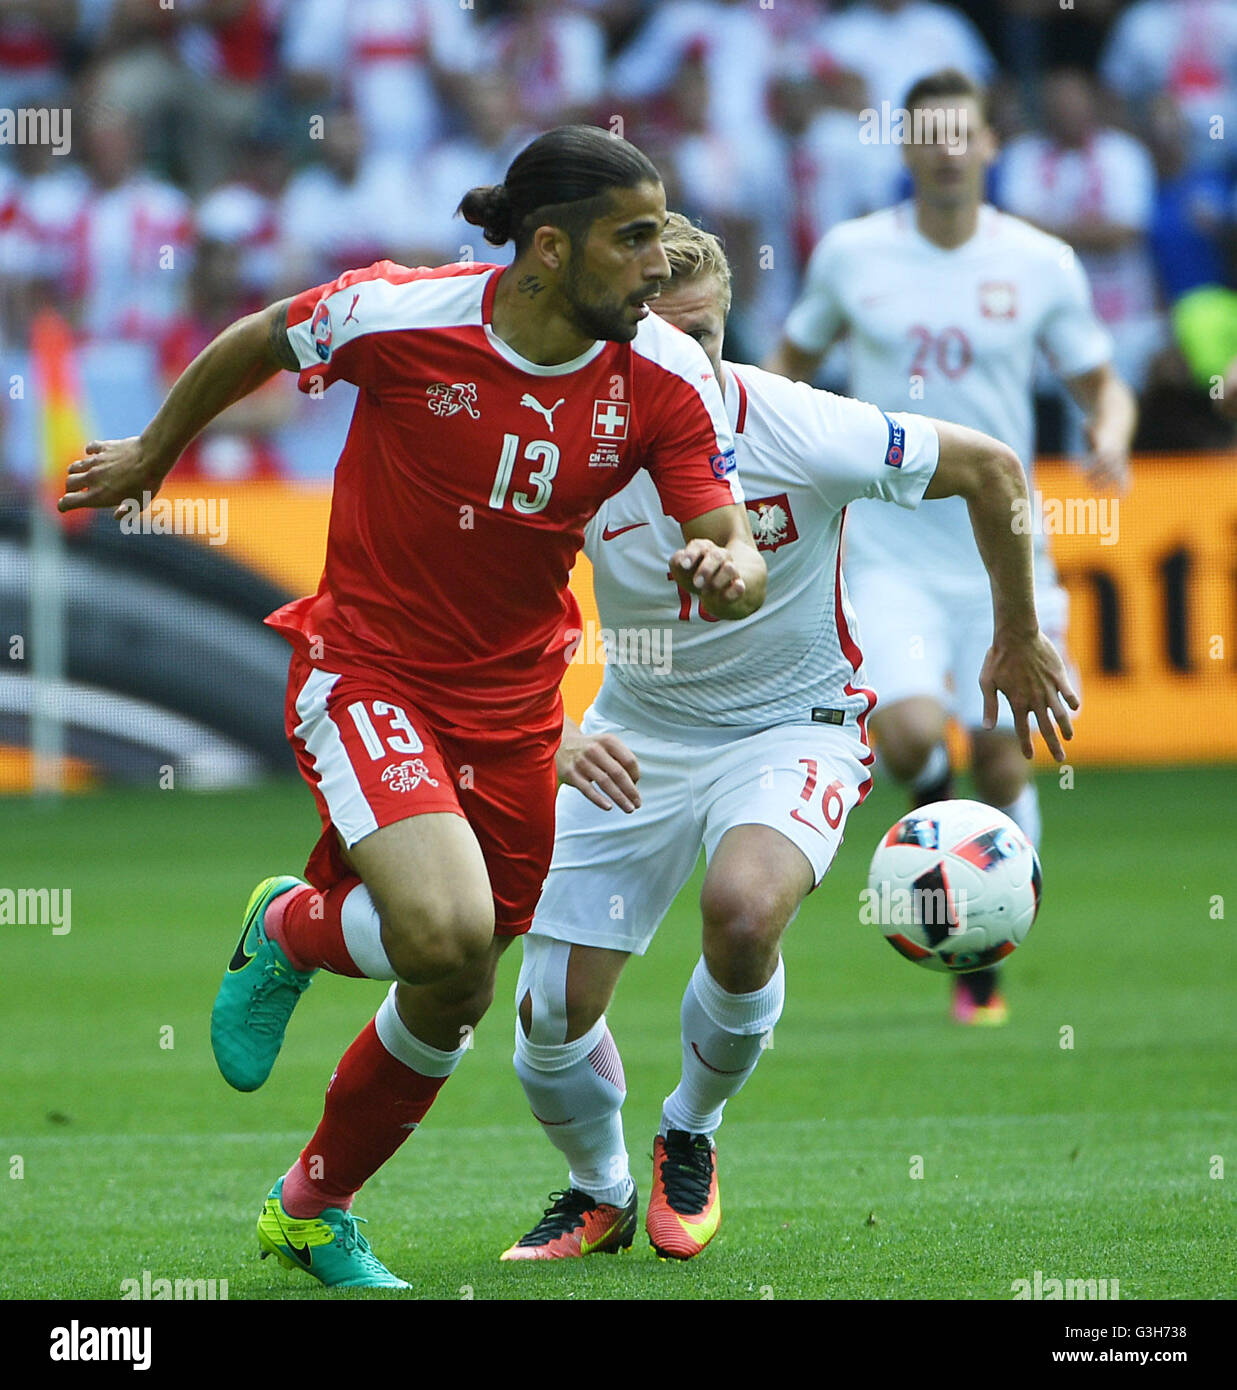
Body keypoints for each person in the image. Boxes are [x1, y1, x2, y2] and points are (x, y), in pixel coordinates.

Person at [57, 126, 766, 1290]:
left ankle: (308, 1205)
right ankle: (290, 930)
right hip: (367, 668)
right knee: (441, 931)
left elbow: (720, 530)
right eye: (632, 237)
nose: (657, 265)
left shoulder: (661, 375)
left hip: (516, 703)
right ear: (550, 247)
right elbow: (260, 338)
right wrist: (154, 452)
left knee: (461, 976)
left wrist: (727, 566)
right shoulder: (402, 314)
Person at [500, 213, 1077, 1263]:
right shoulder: (567, 437)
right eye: (656, 337)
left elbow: (992, 468)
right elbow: (491, 591)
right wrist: (549, 724)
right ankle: (597, 1190)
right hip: (635, 726)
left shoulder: (799, 425)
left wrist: (1018, 634)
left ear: (728, 328)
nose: (687, 362)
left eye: (706, 336)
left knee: (743, 907)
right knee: (548, 1020)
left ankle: (691, 1129)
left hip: (792, 724)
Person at [766, 69, 1135, 1026]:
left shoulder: (1041, 260)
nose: (943, 149)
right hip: (889, 545)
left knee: (1006, 762)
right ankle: (935, 828)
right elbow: (789, 368)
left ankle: (984, 950)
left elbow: (1101, 381)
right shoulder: (851, 255)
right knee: (912, 736)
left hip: (1003, 553)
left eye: (959, 133)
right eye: (924, 134)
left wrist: (1109, 432)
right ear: (905, 147)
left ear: (989, 144)